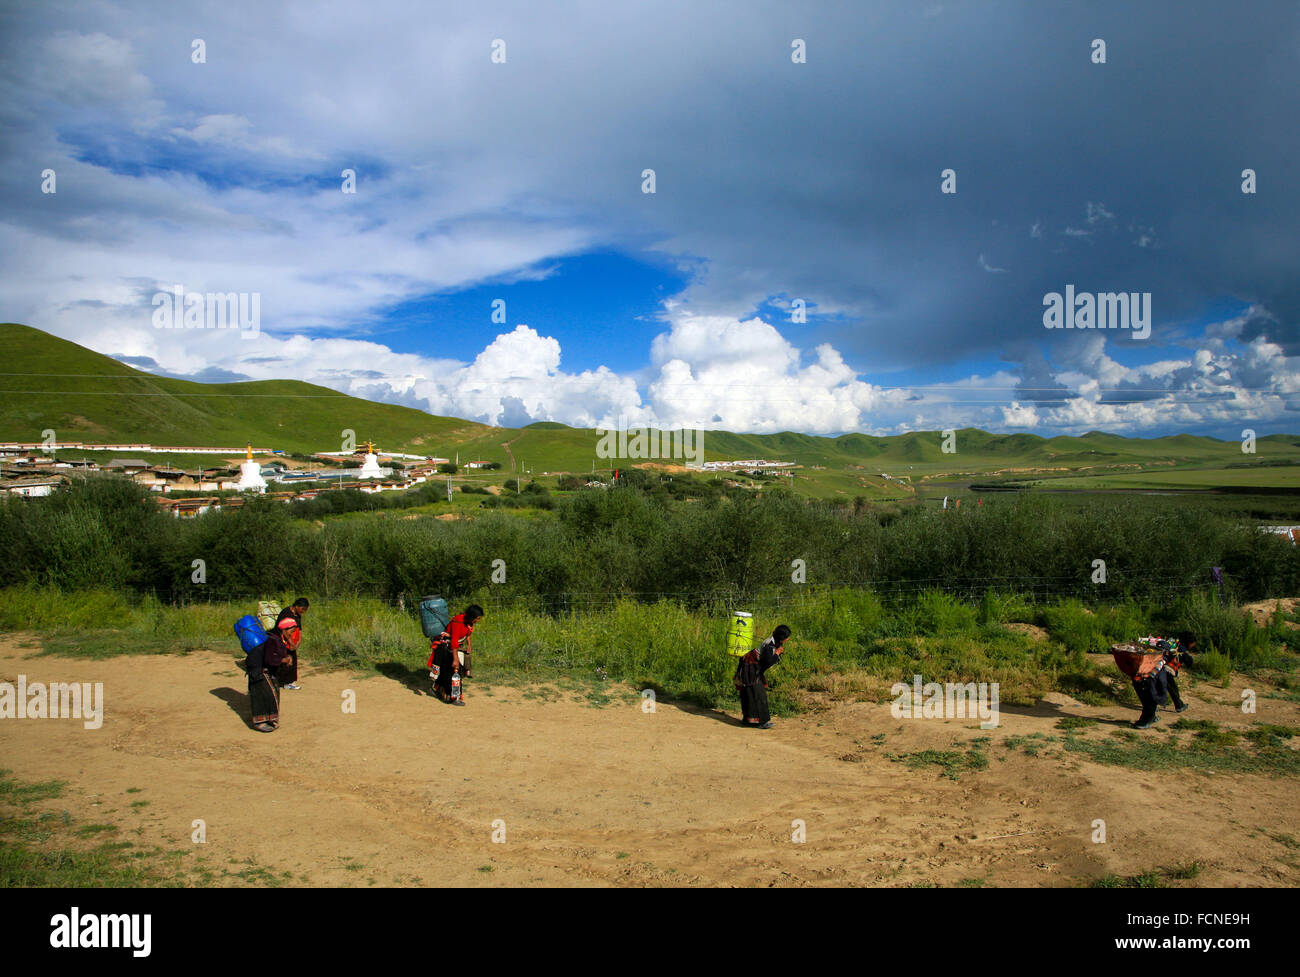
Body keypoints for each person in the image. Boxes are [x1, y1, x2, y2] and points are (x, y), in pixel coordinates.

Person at [734, 625, 791, 729]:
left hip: (751, 667)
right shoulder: (769, 645)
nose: (788, 639)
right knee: (757, 694)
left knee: (749, 693)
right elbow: (767, 662)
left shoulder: (775, 642)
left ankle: (749, 720)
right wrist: (777, 654)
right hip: (750, 668)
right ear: (782, 637)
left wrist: (777, 652)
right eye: (787, 637)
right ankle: (761, 722)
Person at [428, 604, 483, 705]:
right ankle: (454, 697)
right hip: (445, 649)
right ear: (472, 616)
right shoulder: (458, 621)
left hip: (452, 648)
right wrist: (455, 659)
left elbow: (467, 635)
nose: (478, 620)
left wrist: (469, 645)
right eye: (477, 618)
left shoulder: (469, 623)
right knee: (453, 673)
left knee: (447, 672)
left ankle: (435, 689)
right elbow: (454, 642)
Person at [246, 622, 295, 733]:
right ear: (284, 629)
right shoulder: (273, 640)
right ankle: (260, 721)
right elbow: (269, 659)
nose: (291, 635)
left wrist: (286, 657)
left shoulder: (277, 638)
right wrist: (285, 660)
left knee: (273, 692)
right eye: (291, 632)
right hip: (257, 669)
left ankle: (269, 718)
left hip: (265, 668)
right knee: (264, 693)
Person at [275, 597, 309, 689]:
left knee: (292, 660)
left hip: (291, 642)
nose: (303, 611)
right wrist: (292, 643)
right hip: (282, 641)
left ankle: (286, 681)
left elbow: (299, 629)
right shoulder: (286, 613)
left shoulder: (297, 615)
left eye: (305, 610)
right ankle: (285, 682)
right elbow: (285, 631)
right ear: (297, 606)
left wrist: (298, 642)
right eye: (302, 609)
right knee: (287, 660)